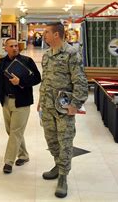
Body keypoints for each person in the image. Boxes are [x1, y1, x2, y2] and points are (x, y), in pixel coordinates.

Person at [38, 22, 88, 198]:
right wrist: (40, 101)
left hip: (64, 107)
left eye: (46, 33)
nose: (43, 35)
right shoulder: (46, 55)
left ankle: (63, 177)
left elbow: (80, 81)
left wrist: (75, 104)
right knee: (51, 140)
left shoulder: (71, 54)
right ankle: (57, 165)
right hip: (48, 106)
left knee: (65, 141)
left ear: (57, 35)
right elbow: (45, 80)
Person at [0, 38, 41, 174]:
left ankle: (8, 162)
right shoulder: (1, 64)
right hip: (6, 101)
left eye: (16, 45)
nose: (15, 48)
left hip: (22, 102)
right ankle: (23, 155)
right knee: (11, 131)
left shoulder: (27, 61)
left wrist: (21, 81)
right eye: (11, 46)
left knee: (15, 132)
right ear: (5, 48)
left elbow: (37, 78)